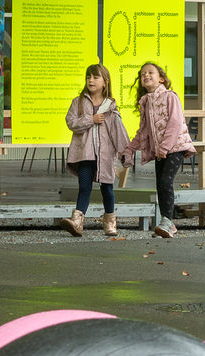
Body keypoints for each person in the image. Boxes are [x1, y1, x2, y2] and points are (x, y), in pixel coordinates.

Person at [123, 60, 197, 239]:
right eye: (143, 74)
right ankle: (167, 222)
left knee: (165, 182)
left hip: (175, 146)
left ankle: (168, 222)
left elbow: (175, 123)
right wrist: (130, 148)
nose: (146, 75)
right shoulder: (146, 102)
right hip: (160, 151)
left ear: (161, 79)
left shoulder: (170, 96)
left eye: (150, 72)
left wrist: (164, 147)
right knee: (160, 185)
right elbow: (143, 131)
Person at [63, 64, 129, 237]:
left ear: (105, 82)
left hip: (105, 156)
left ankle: (110, 222)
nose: (90, 80)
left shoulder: (111, 107)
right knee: (84, 187)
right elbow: (71, 122)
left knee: (107, 189)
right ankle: (77, 222)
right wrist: (90, 119)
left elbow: (118, 133)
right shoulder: (78, 102)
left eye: (95, 77)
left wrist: (125, 153)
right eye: (88, 77)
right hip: (84, 154)